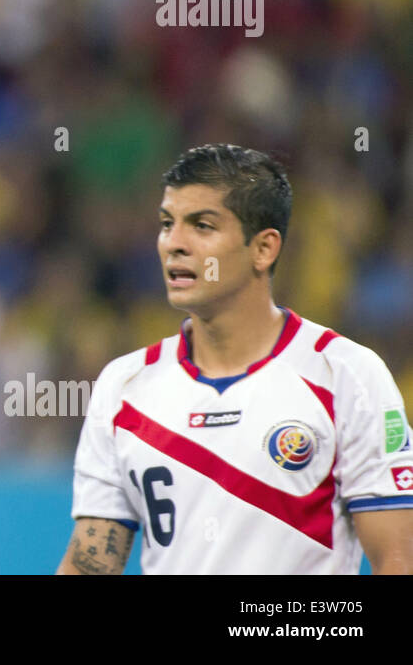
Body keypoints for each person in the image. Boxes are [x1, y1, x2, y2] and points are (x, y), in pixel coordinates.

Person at [58, 144, 413, 575]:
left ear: (263, 249)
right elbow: (90, 564)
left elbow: (398, 559)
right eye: (167, 224)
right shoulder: (123, 386)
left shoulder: (346, 376)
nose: (175, 244)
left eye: (202, 226)